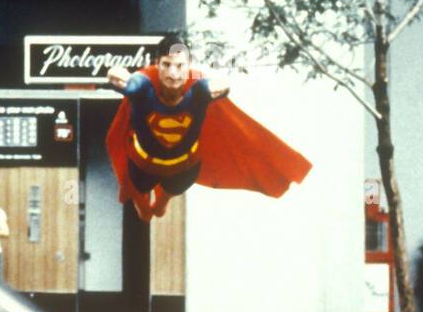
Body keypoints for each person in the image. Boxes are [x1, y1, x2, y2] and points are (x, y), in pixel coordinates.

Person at [106, 34, 313, 222]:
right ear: (157, 64)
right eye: (166, 65)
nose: (173, 73)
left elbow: (209, 81)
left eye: (179, 66)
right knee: (137, 192)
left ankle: (161, 203)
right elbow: (129, 80)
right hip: (144, 164)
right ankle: (146, 207)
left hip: (182, 166)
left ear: (187, 66)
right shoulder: (144, 80)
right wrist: (118, 76)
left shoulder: (196, 81)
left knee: (169, 191)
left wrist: (218, 85)